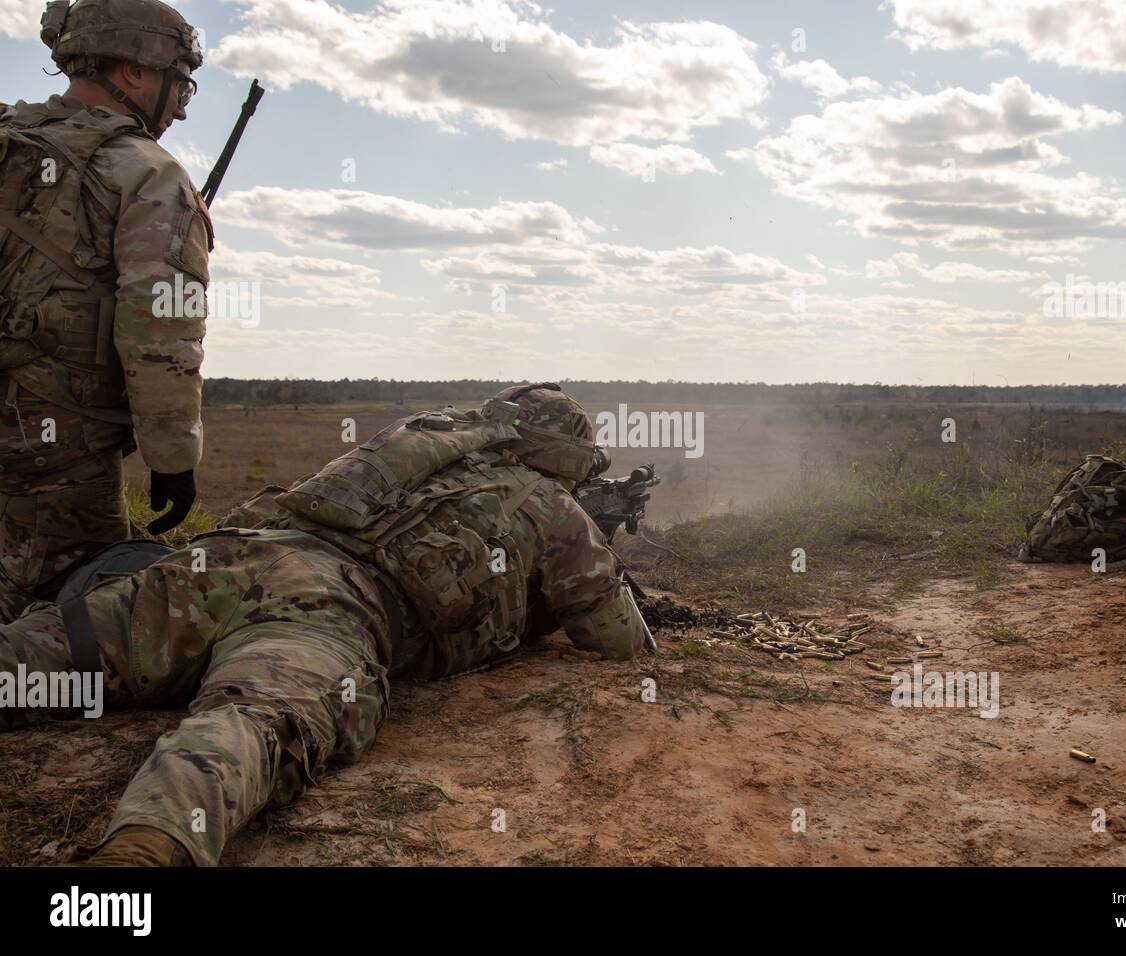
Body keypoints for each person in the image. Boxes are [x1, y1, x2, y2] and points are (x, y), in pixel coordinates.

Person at [0, 385, 650, 865]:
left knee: (50, 652)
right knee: (250, 724)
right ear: (570, 458)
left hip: (226, 557)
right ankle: (138, 858)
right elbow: (616, 636)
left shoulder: (424, 439)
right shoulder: (554, 507)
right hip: (324, 608)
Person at [0, 0, 210, 622]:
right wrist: (173, 462)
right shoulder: (146, 173)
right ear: (137, 73)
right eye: (182, 84)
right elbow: (163, 334)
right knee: (64, 626)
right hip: (57, 454)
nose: (183, 106)